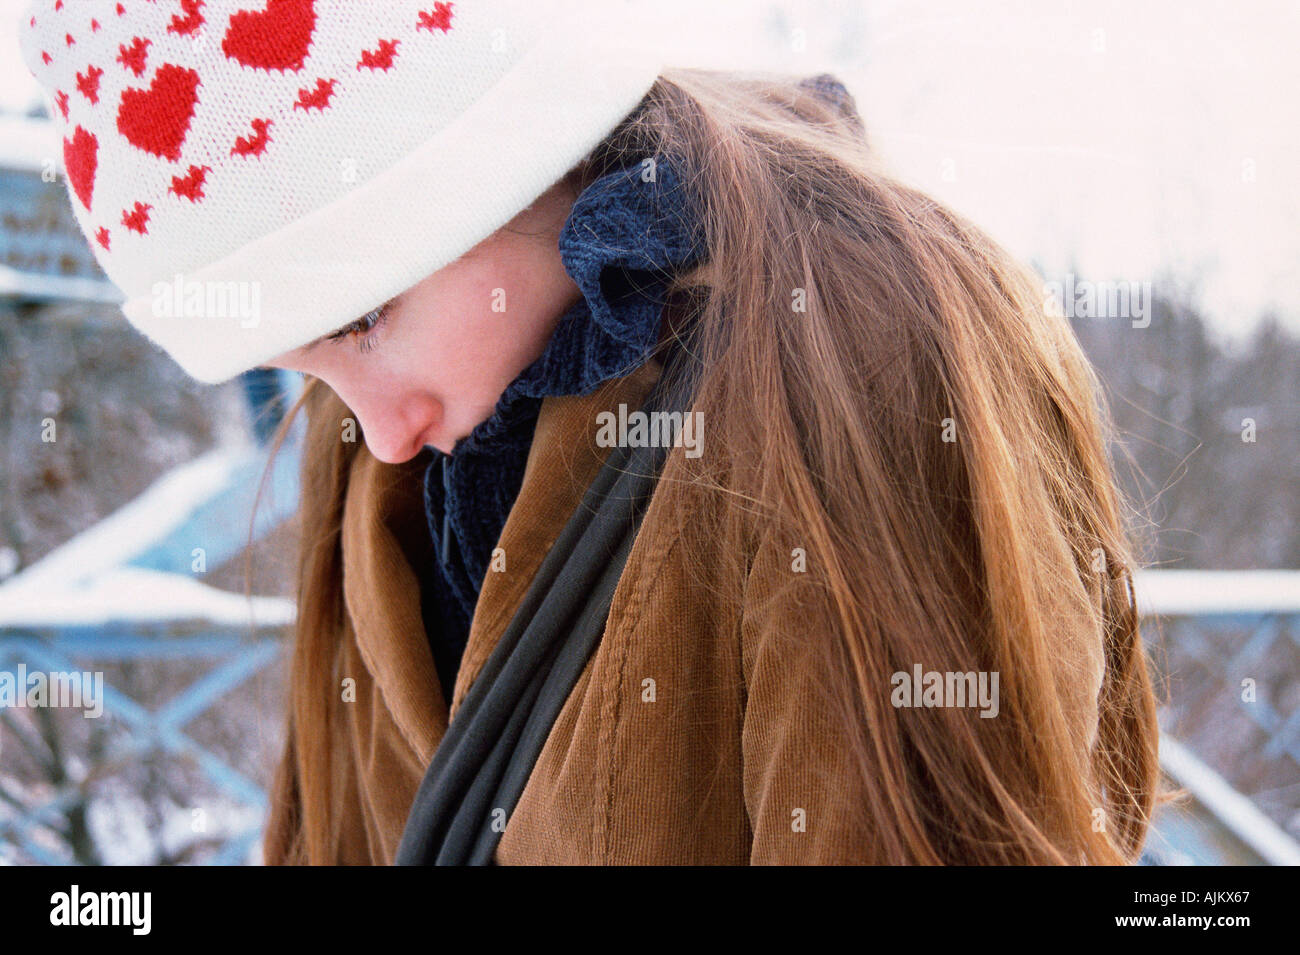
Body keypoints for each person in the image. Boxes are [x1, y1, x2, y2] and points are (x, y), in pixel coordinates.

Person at [22, 0, 1161, 865]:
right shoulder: (388, 427)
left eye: (365, 321)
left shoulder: (858, 345)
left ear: (509, 151)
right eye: (299, 368)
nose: (381, 429)